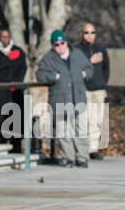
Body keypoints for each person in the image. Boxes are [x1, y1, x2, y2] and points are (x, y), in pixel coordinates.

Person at [36, 29, 91, 167]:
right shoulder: (48, 59)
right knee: (62, 131)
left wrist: (85, 74)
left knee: (82, 129)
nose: (60, 46)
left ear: (66, 42)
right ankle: (69, 158)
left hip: (77, 97)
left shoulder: (77, 54)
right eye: (57, 44)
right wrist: (53, 77)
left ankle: (83, 158)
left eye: (62, 43)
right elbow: (40, 74)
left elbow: (90, 68)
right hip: (59, 99)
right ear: (53, 46)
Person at [0, 27, 27, 153]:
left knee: (15, 117)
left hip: (15, 90)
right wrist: (10, 59)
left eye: (7, 37)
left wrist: (16, 81)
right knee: (0, 118)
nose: (5, 40)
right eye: (2, 37)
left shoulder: (18, 51)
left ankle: (16, 147)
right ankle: (1, 145)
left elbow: (22, 68)